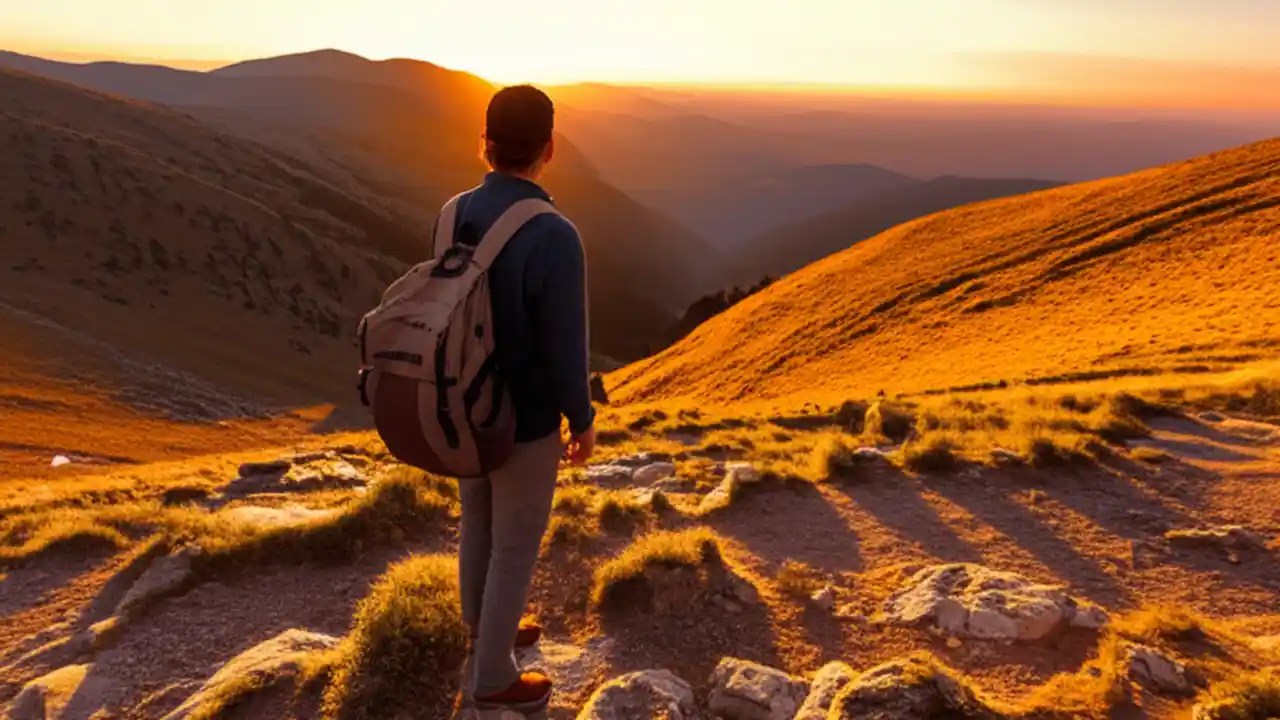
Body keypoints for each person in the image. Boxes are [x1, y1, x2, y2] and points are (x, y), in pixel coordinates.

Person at [445, 85, 596, 712]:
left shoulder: (452, 212)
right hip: (525, 418)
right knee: (515, 542)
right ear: (549, 149)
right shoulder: (555, 234)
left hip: (461, 405)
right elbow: (566, 347)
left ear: (484, 142)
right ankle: (494, 678)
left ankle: (485, 633)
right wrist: (581, 419)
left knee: (478, 517)